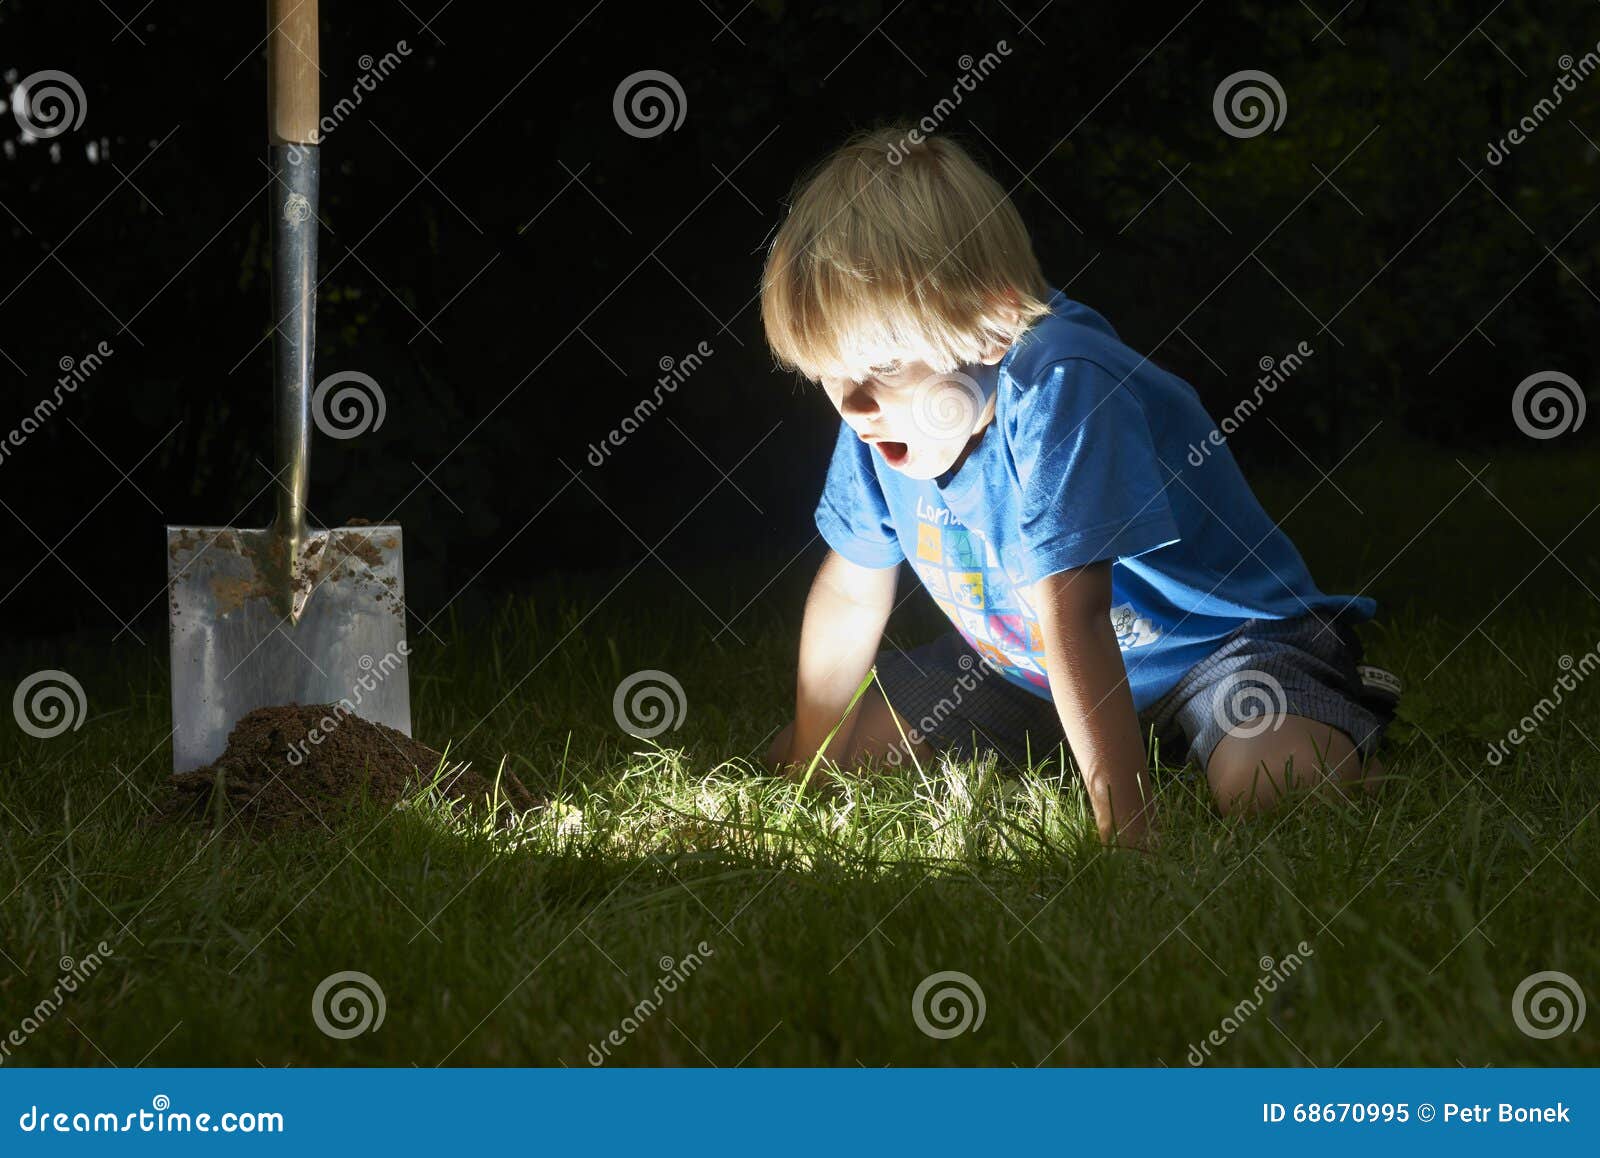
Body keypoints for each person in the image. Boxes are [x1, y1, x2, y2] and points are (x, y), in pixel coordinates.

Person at [759, 126, 1397, 847]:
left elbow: (1076, 614)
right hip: (1023, 672)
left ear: (992, 326)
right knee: (836, 753)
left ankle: (1326, 721)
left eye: (880, 367)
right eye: (830, 374)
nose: (853, 405)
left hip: (1215, 651)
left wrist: (1127, 837)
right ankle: (1122, 745)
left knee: (1275, 786)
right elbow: (851, 592)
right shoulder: (879, 417)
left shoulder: (1065, 385)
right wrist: (808, 772)